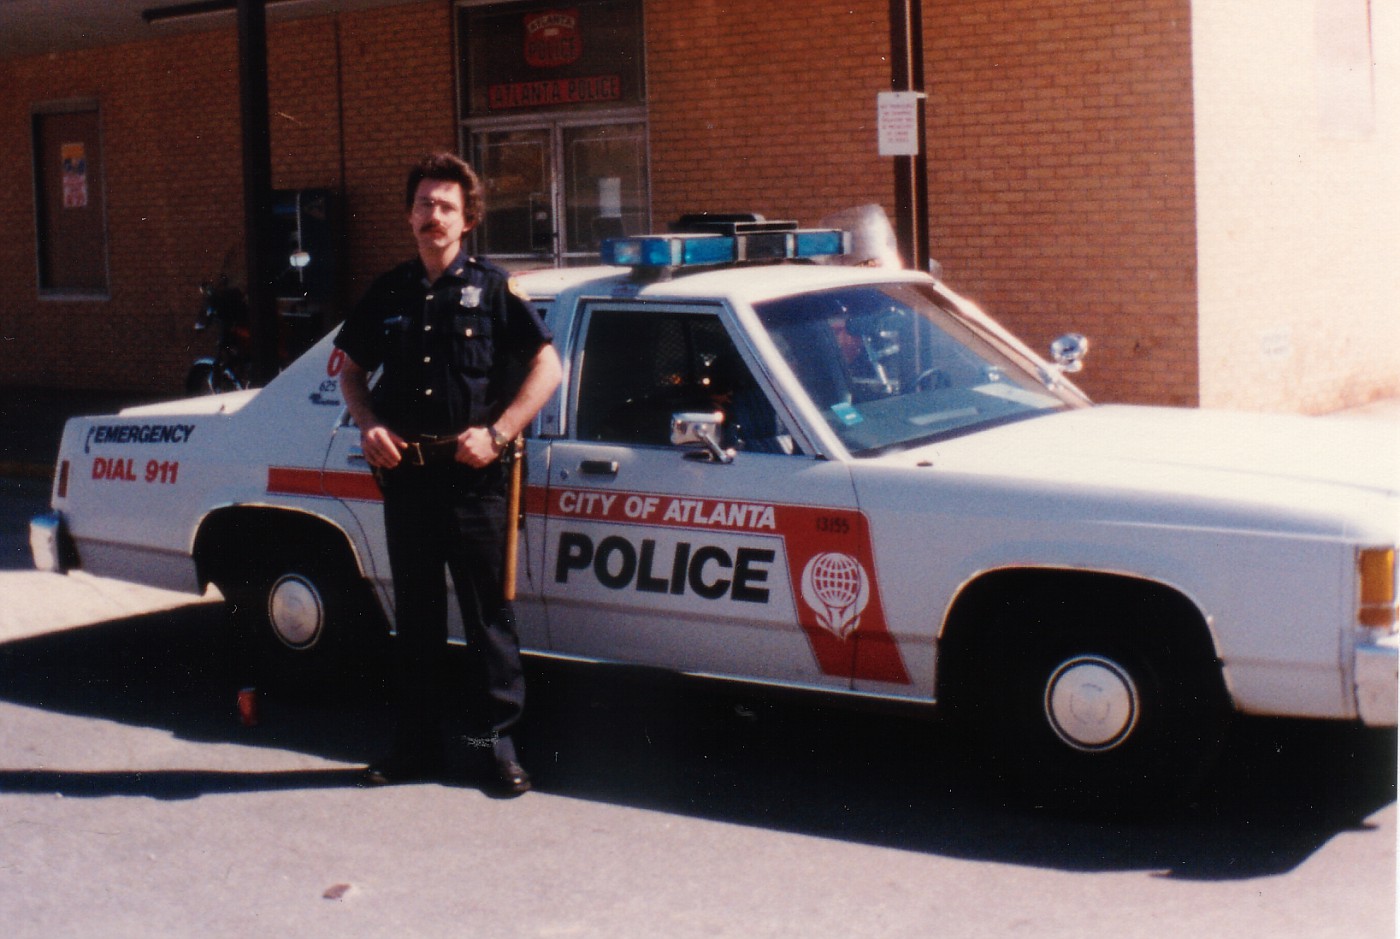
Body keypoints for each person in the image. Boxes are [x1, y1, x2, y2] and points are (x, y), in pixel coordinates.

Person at [335, 152, 562, 795]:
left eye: (445, 207)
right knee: (418, 619)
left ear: (468, 220)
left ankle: (499, 751)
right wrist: (368, 422)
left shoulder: (494, 291)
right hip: (408, 477)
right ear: (409, 214)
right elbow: (351, 370)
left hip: (475, 480)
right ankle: (414, 748)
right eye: (423, 204)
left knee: (489, 620)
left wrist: (498, 433)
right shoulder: (388, 292)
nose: (431, 216)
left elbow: (548, 368)